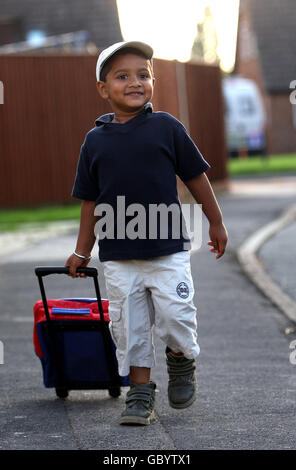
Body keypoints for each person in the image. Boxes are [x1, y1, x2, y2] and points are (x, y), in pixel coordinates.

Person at [65, 41, 228, 426]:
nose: (135, 82)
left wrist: (216, 221)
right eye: (123, 76)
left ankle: (180, 359)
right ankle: (139, 393)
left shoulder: (167, 128)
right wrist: (81, 250)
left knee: (176, 317)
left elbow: (196, 178)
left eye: (143, 74)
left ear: (152, 80)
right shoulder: (95, 141)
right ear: (104, 89)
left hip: (167, 250)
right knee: (129, 326)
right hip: (120, 257)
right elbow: (89, 203)